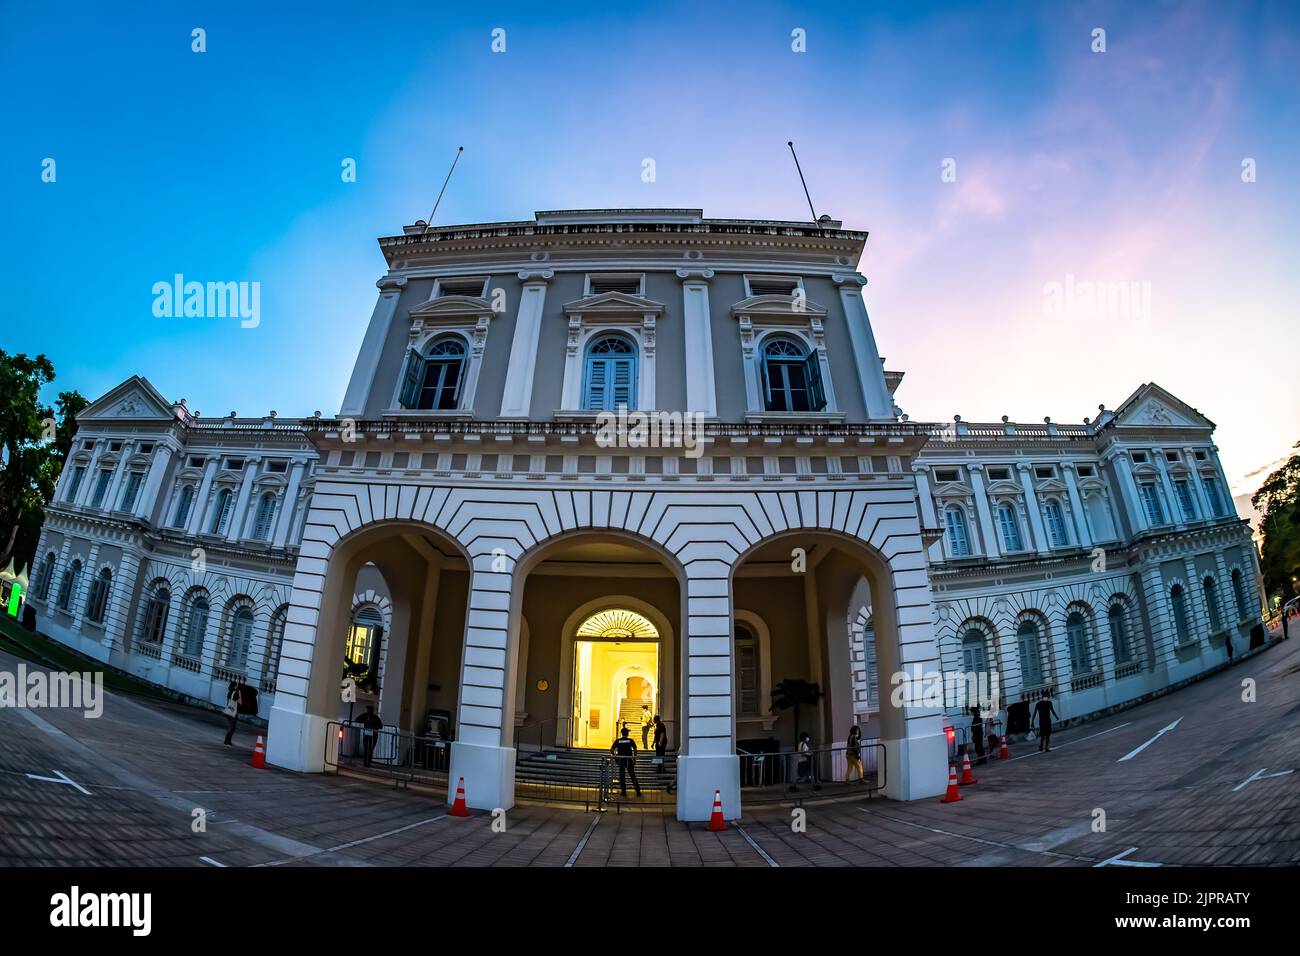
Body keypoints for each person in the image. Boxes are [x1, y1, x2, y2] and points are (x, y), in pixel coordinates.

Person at [610, 726, 642, 796]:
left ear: (621, 733)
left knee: (622, 776)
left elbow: (611, 749)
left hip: (621, 760)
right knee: (632, 776)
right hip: (629, 760)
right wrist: (634, 758)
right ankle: (638, 791)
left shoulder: (618, 741)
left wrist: (616, 757)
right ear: (627, 734)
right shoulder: (631, 740)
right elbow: (635, 749)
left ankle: (623, 792)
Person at [652, 715, 674, 792]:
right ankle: (659, 767)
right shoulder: (657, 725)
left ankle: (661, 768)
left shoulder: (661, 725)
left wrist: (660, 742)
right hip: (658, 742)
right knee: (657, 755)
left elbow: (662, 734)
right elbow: (656, 735)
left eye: (654, 719)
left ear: (656, 719)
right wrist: (653, 743)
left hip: (662, 742)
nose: (653, 720)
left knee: (661, 755)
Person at [222, 680, 241, 746]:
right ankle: (227, 741)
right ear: (235, 686)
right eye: (237, 685)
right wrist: (239, 694)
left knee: (232, 727)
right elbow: (240, 702)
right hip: (233, 711)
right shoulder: (236, 693)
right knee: (232, 727)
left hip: (228, 710)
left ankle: (228, 740)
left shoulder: (229, 692)